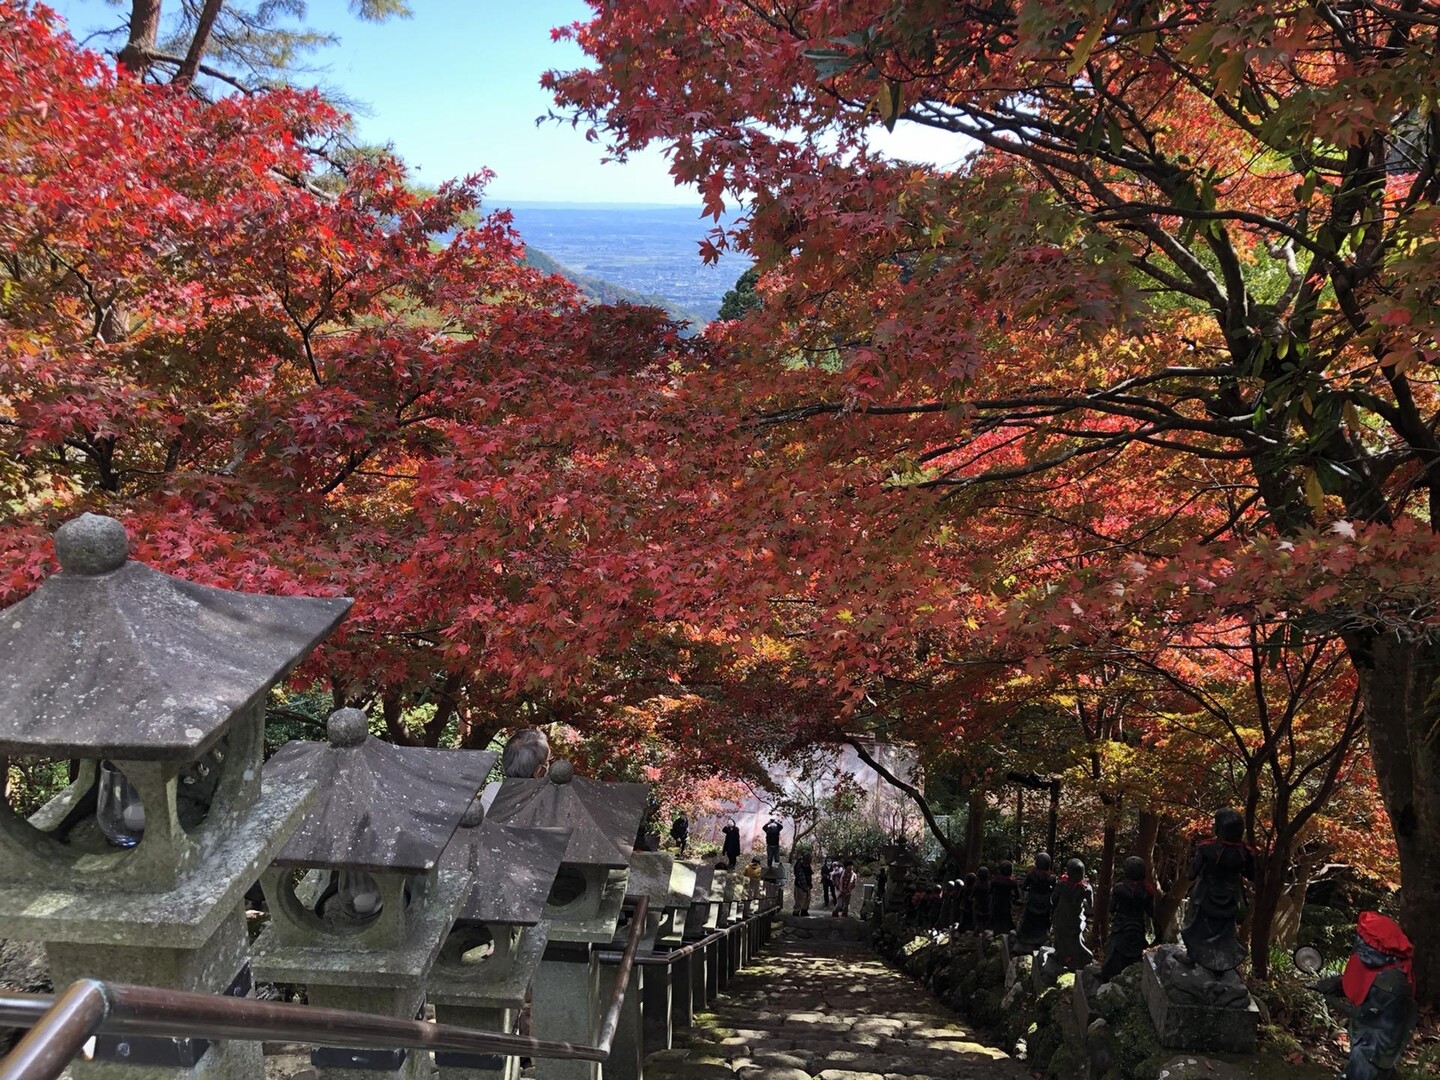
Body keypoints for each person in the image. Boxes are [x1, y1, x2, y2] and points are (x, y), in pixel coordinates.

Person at [1314, 912, 1418, 1080]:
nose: (1357, 944)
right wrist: (1329, 985)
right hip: (1365, 1038)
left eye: (1362, 941)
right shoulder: (1382, 970)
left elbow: (1365, 1014)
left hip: (1376, 1044)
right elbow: (1357, 981)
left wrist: (1331, 1000)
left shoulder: (1392, 981)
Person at [1180, 807, 1255, 972]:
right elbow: (1253, 875)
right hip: (1231, 896)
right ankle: (1221, 964)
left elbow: (1192, 874)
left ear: (1220, 828)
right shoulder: (1245, 852)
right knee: (1225, 929)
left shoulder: (1206, 848)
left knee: (1196, 924)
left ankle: (1192, 956)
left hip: (1205, 894)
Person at [1100, 856, 1155, 981]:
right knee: (1135, 955)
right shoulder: (1147, 891)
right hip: (1137, 927)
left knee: (1113, 953)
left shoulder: (1119, 889)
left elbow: (1111, 908)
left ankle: (1107, 976)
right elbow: (1151, 912)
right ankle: (1133, 977)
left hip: (1120, 926)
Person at [1051, 858, 1094, 969]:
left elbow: (1054, 900)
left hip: (1062, 916)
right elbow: (1091, 905)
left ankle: (1062, 955)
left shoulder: (1062, 885)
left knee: (1060, 935)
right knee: (1075, 937)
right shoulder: (1086, 888)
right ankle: (1074, 957)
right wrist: (1083, 901)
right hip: (1076, 918)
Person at [1015, 852, 1057, 951]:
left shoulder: (1032, 875)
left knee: (1028, 920)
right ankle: (1041, 939)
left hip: (1032, 900)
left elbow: (1024, 886)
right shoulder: (1052, 878)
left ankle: (1025, 939)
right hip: (1045, 902)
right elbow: (1055, 891)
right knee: (1043, 922)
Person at [988, 861, 1021, 934]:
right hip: (1006, 903)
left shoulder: (995, 881)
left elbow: (989, 891)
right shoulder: (1012, 883)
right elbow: (1017, 895)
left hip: (996, 902)